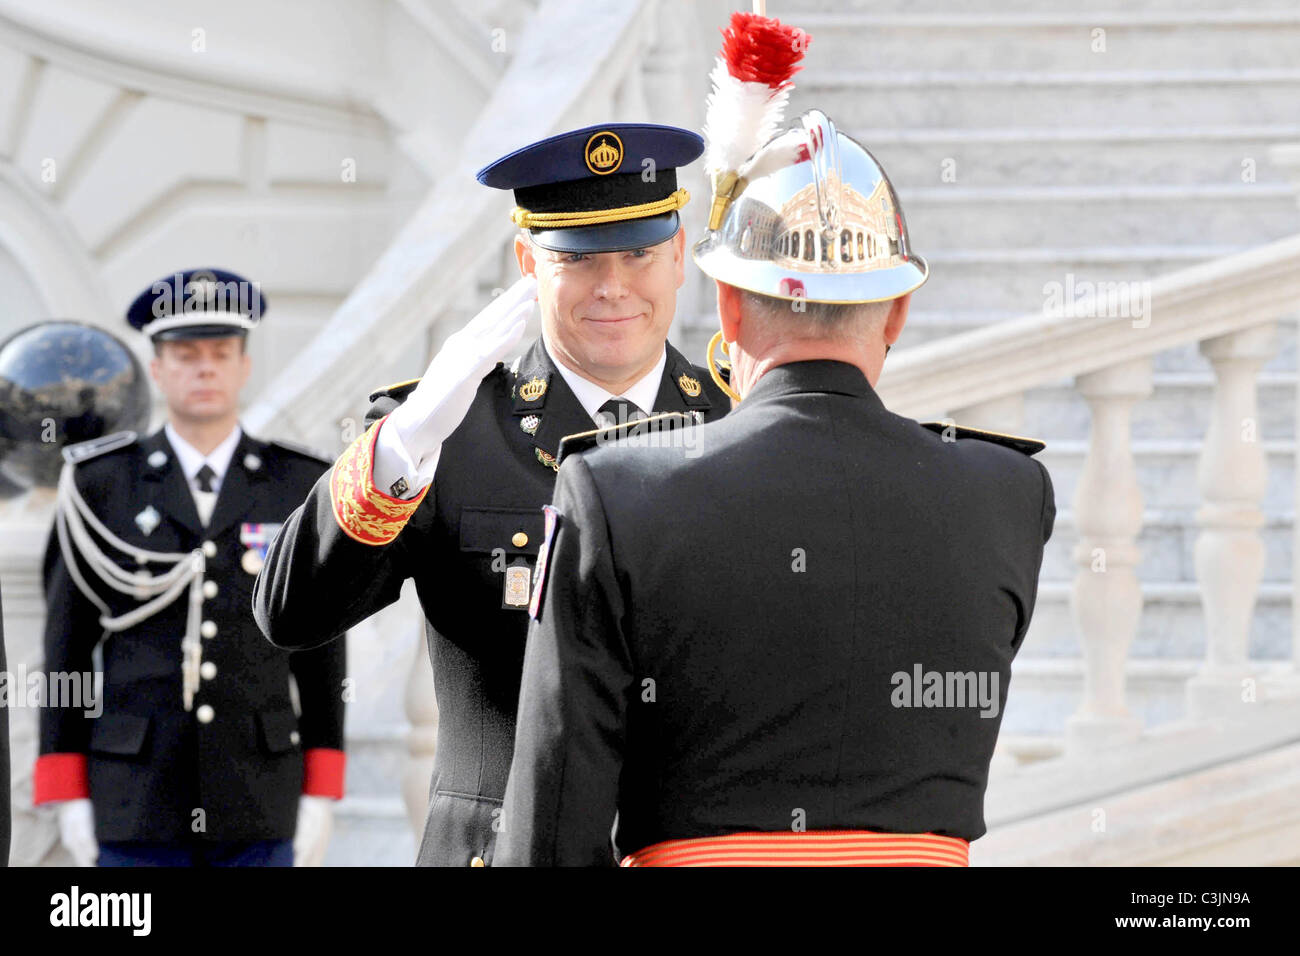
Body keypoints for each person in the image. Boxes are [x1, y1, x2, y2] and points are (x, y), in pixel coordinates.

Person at [496, 109, 1056, 867]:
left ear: (728, 306)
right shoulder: (1010, 493)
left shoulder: (616, 491)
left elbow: (553, 834)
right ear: (898, 309)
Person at [253, 122, 729, 866]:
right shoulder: (458, 429)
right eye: (578, 258)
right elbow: (290, 612)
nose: (613, 286)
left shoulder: (734, 422)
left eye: (638, 252)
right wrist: (404, 443)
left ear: (677, 257)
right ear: (527, 262)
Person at [35, 269, 346, 867]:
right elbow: (65, 649)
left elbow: (321, 647)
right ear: (157, 369)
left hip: (260, 797)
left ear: (243, 365)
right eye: (185, 354)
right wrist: (67, 789)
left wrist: (321, 786)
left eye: (220, 353)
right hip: (133, 801)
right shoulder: (100, 486)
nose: (205, 369)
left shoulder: (299, 485)